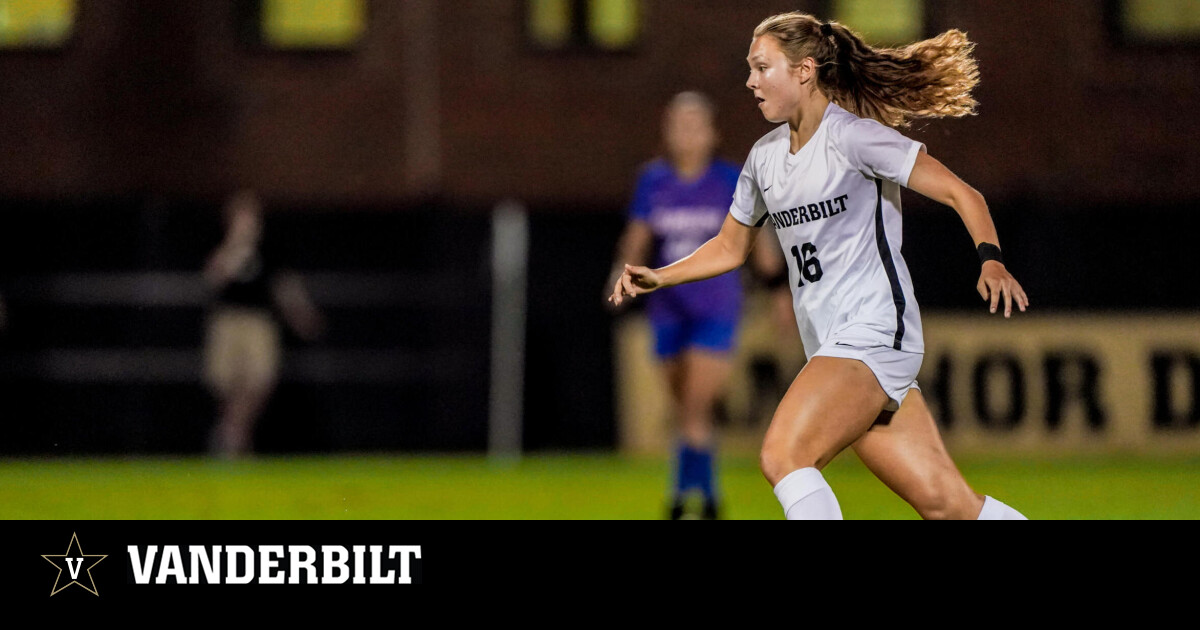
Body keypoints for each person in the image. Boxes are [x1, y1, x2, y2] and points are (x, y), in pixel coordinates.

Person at [610, 12, 1030, 520]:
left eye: (763, 67)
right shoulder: (764, 159)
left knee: (783, 455)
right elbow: (728, 247)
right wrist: (659, 275)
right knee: (948, 505)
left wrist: (992, 261)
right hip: (836, 345)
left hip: (874, 333)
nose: (750, 81)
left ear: (804, 70)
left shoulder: (854, 138)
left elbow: (963, 193)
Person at [608, 91, 783, 520]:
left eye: (694, 125)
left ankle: (686, 500)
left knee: (695, 406)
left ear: (711, 133)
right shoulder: (654, 180)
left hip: (716, 307)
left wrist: (780, 291)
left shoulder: (730, 180)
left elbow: (759, 242)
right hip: (667, 309)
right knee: (685, 410)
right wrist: (619, 274)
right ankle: (704, 494)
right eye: (678, 125)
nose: (686, 135)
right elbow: (638, 235)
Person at [202, 190, 324, 458]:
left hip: (259, 322)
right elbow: (212, 279)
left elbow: (284, 285)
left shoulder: (270, 247)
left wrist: (301, 314)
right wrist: (233, 246)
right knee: (227, 383)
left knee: (259, 380)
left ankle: (231, 433)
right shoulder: (220, 241)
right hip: (228, 321)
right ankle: (236, 441)